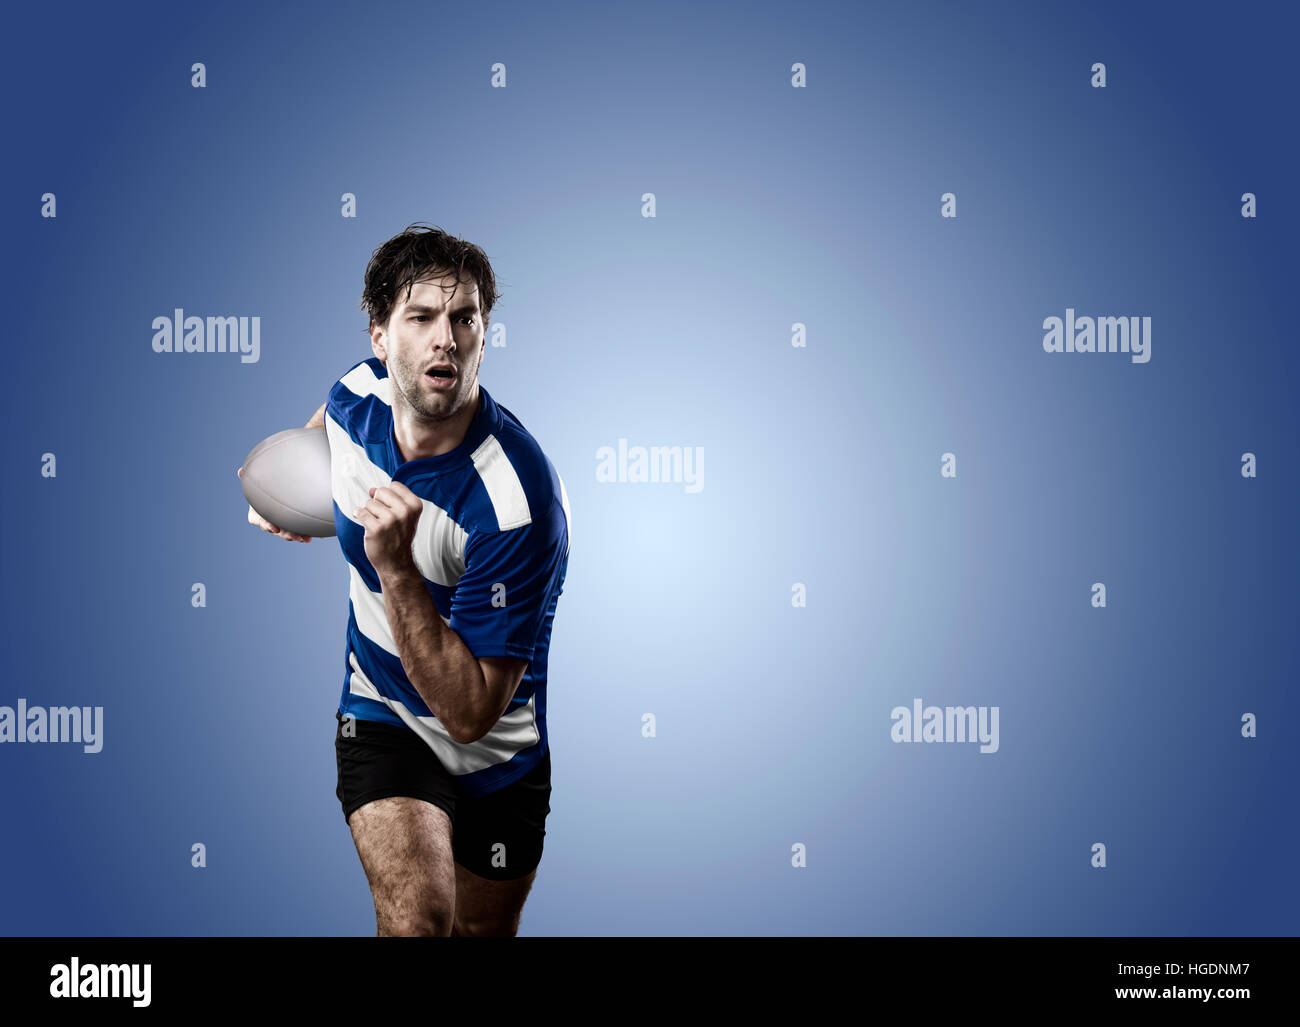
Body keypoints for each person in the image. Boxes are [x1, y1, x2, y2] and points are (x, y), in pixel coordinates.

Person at [239, 224, 570, 936]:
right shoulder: (357, 393)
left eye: (465, 318)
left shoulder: (516, 503)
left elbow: (471, 712)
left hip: (496, 752)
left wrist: (396, 567)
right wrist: (289, 497)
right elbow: (324, 434)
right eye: (420, 317)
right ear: (381, 337)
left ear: (485, 334)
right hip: (382, 714)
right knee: (419, 920)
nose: (444, 338)